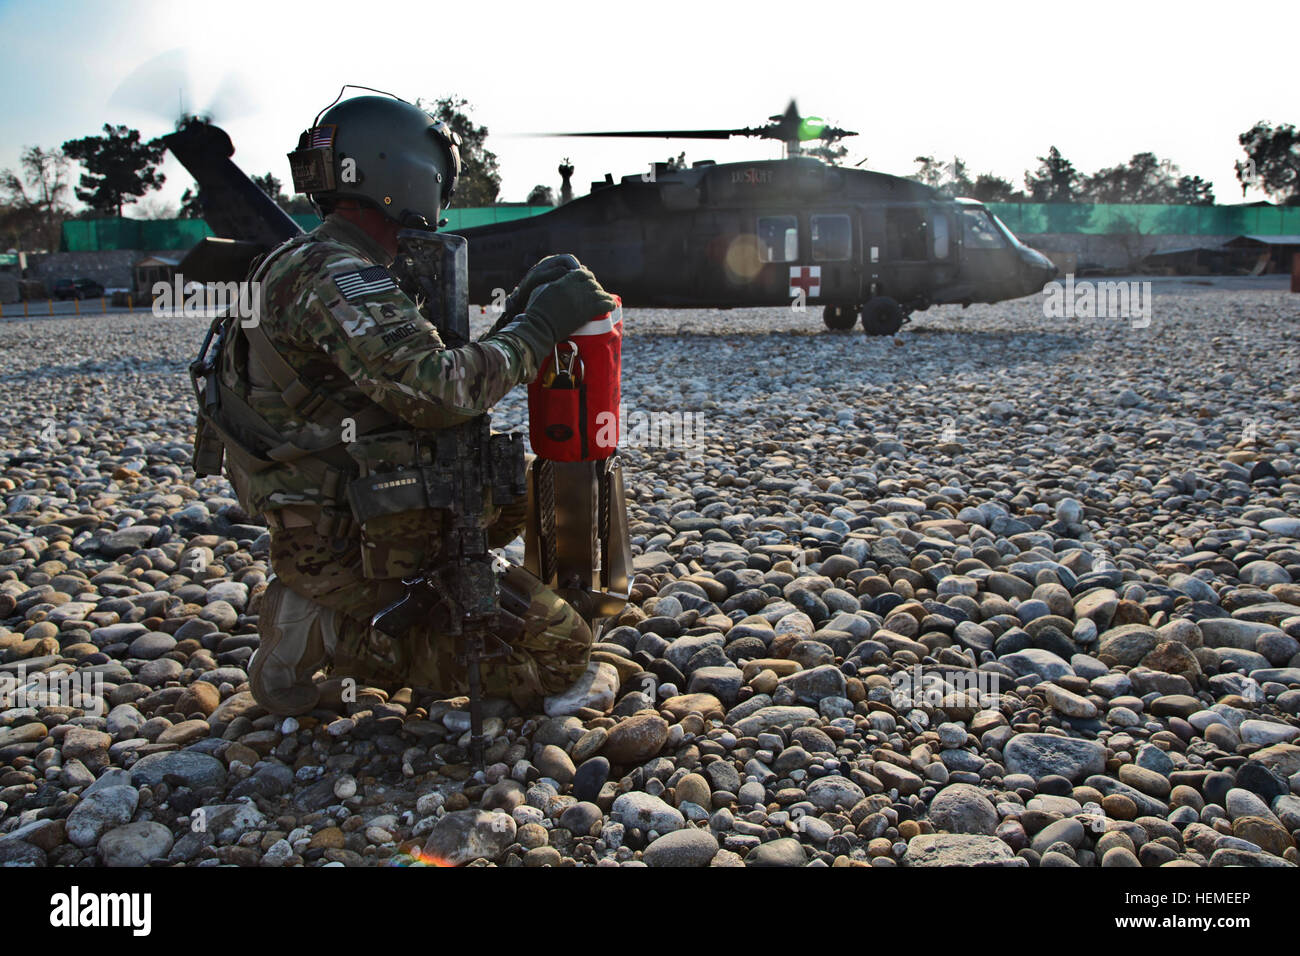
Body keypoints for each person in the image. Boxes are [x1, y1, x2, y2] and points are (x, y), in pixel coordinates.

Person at [228, 93, 616, 715]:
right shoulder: (337, 274)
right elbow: (440, 389)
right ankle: (330, 627)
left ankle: (349, 604)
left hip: (343, 505)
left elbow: (410, 368)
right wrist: (541, 328)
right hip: (344, 533)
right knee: (562, 655)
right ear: (404, 172)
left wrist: (519, 312)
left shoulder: (310, 260)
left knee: (505, 500)